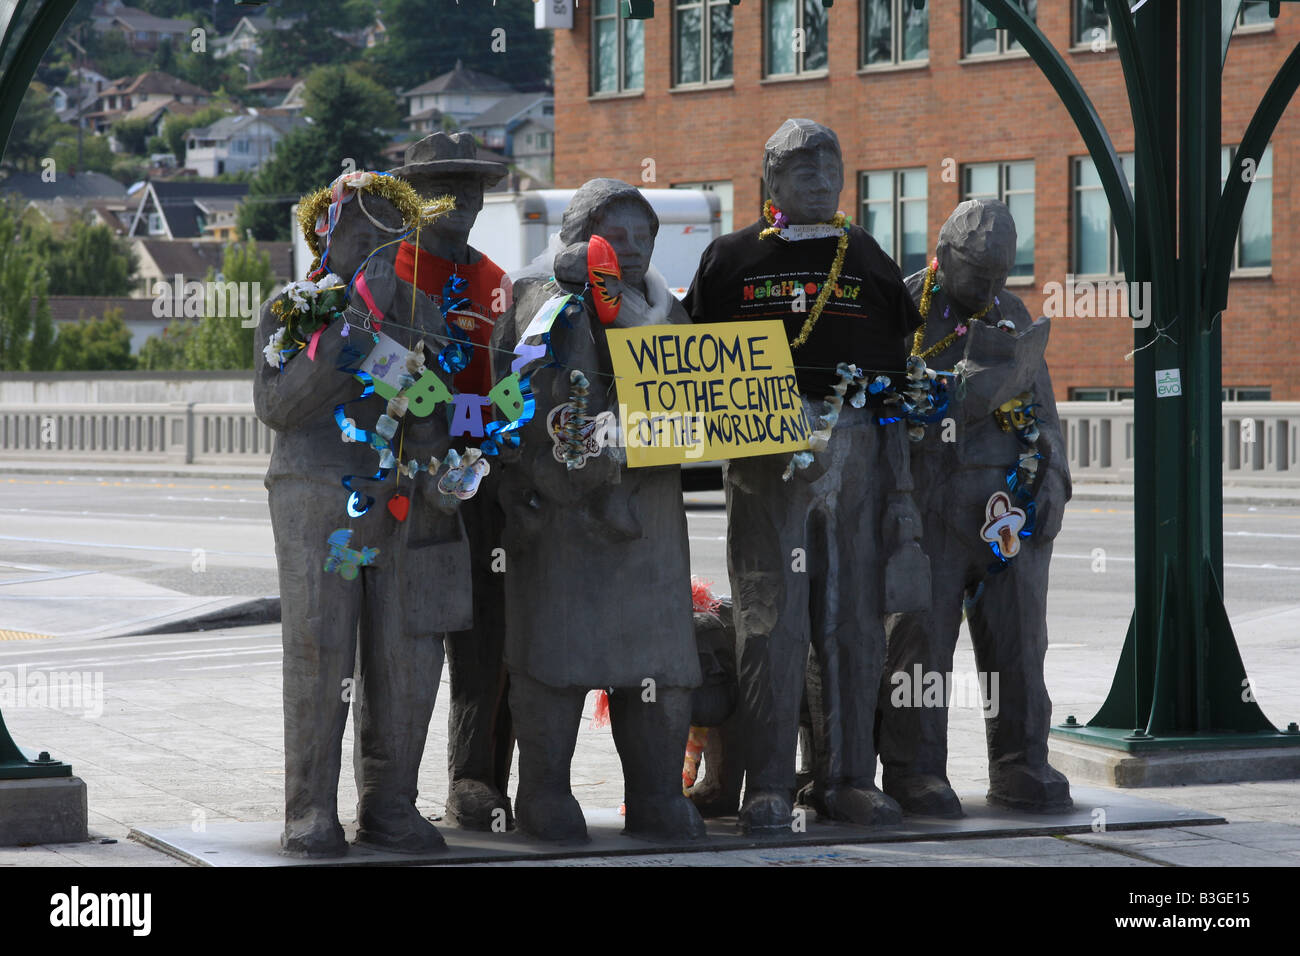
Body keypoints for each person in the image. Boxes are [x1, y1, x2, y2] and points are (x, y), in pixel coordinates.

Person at [682, 119, 926, 832]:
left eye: (830, 161)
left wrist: (901, 490)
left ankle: (848, 776)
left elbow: (898, 380)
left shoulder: (873, 262)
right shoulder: (728, 261)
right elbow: (694, 363)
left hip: (858, 457)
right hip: (763, 458)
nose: (819, 174)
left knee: (851, 623)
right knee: (768, 619)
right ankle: (765, 782)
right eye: (799, 163)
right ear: (769, 178)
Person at [489, 178, 705, 842]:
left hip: (652, 523)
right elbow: (508, 400)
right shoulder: (539, 302)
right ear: (580, 238)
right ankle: (544, 792)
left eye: (645, 236)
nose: (634, 249)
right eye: (620, 235)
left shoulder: (669, 312)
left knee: (660, 668)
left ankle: (655, 794)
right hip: (564, 522)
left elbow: (702, 402)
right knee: (556, 663)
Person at [878, 199, 1072, 816]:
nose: (988, 287)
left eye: (999, 274)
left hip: (1004, 515)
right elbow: (879, 410)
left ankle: (1021, 763)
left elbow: (1043, 416)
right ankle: (915, 771)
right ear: (943, 253)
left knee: (1020, 641)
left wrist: (1050, 484)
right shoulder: (904, 310)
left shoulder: (1012, 314)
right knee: (921, 645)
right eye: (976, 274)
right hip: (930, 507)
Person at [386, 131, 515, 830]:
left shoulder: (497, 282)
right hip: (406, 476)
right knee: (403, 639)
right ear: (414, 194)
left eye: (474, 184)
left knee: (488, 633)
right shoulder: (386, 273)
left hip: (485, 478)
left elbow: (511, 385)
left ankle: (478, 778)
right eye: (445, 183)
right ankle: (390, 787)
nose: (463, 197)